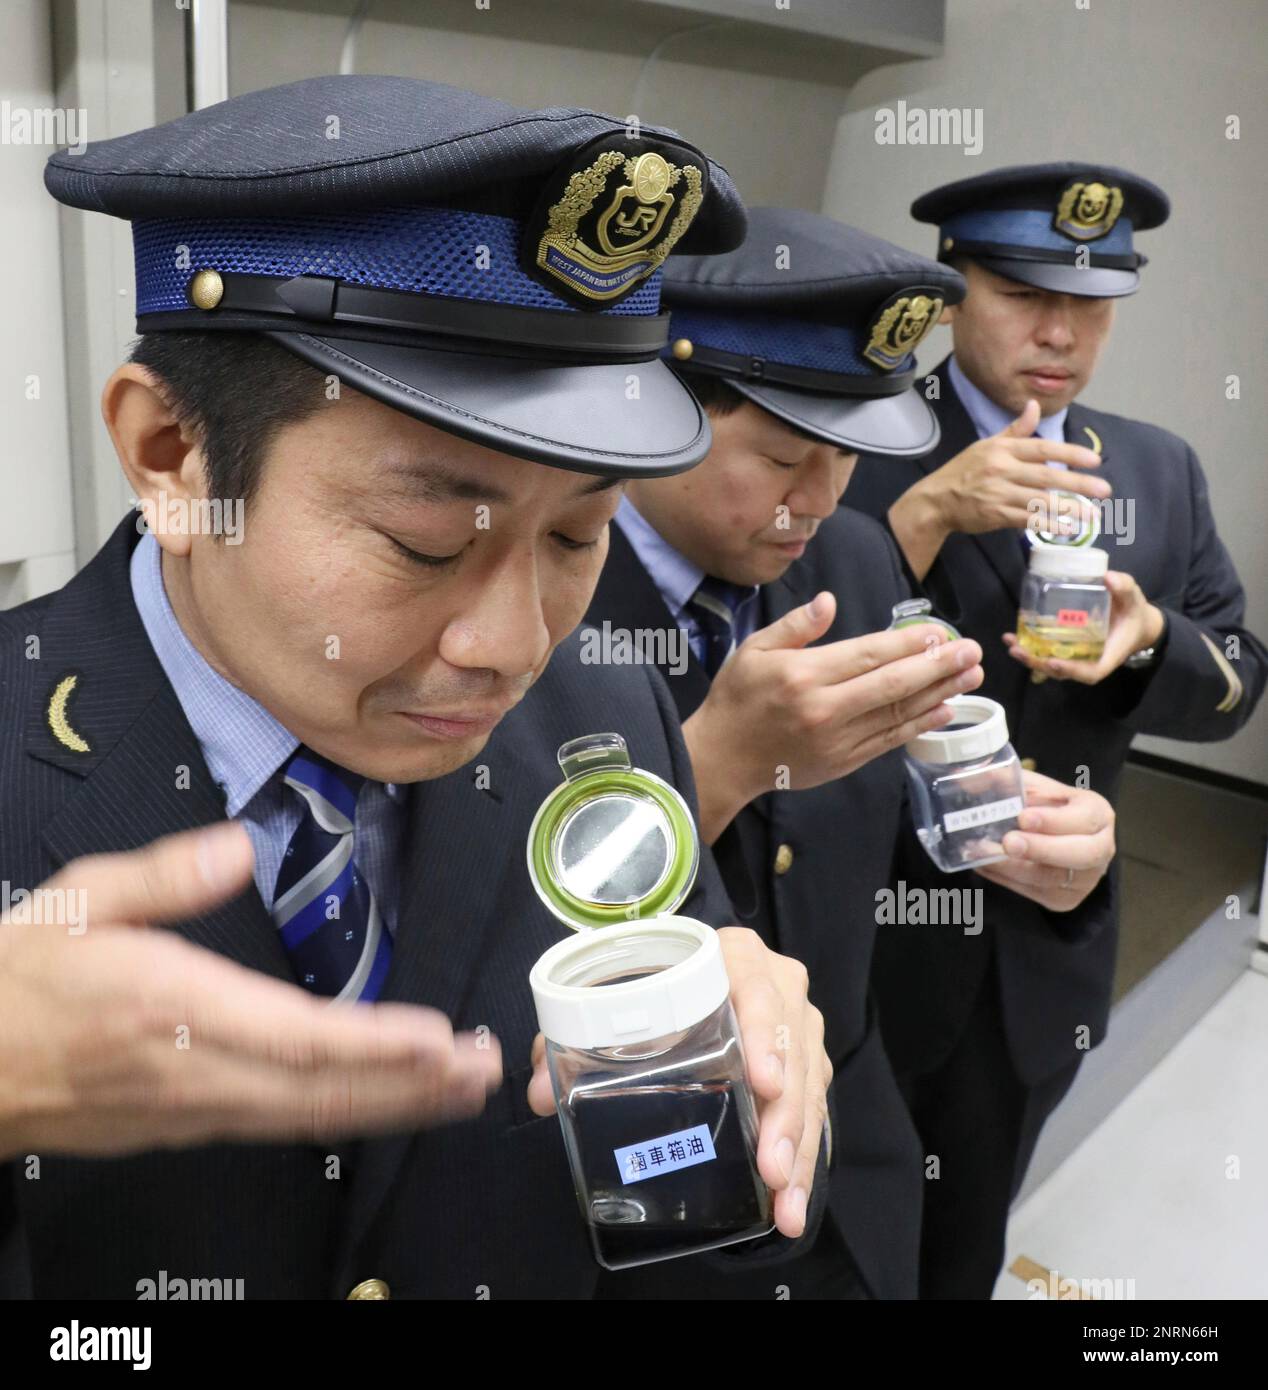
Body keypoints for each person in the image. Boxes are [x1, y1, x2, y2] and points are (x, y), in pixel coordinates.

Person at [0, 74, 834, 1300]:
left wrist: (750, 1120)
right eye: (425, 543)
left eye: (575, 539)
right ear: (171, 457)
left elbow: (666, 1231)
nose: (512, 644)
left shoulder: (599, 716)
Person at [583, 207, 1117, 1299]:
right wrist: (714, 763)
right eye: (783, 455)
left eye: (847, 455)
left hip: (857, 1154)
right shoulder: (539, 591)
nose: (817, 499)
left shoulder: (856, 555)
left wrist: (1022, 838)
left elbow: (875, 843)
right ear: (651, 408)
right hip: (655, 1179)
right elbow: (502, 913)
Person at [844, 163, 1268, 1298]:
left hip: (1041, 946)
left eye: (1090, 302)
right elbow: (764, 650)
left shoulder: (1154, 468)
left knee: (965, 1233)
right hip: (863, 932)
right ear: (949, 291)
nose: (1059, 330)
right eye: (1023, 292)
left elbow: (1235, 679)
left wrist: (1143, 638)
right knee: (830, 1235)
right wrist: (924, 514)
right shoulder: (857, 433)